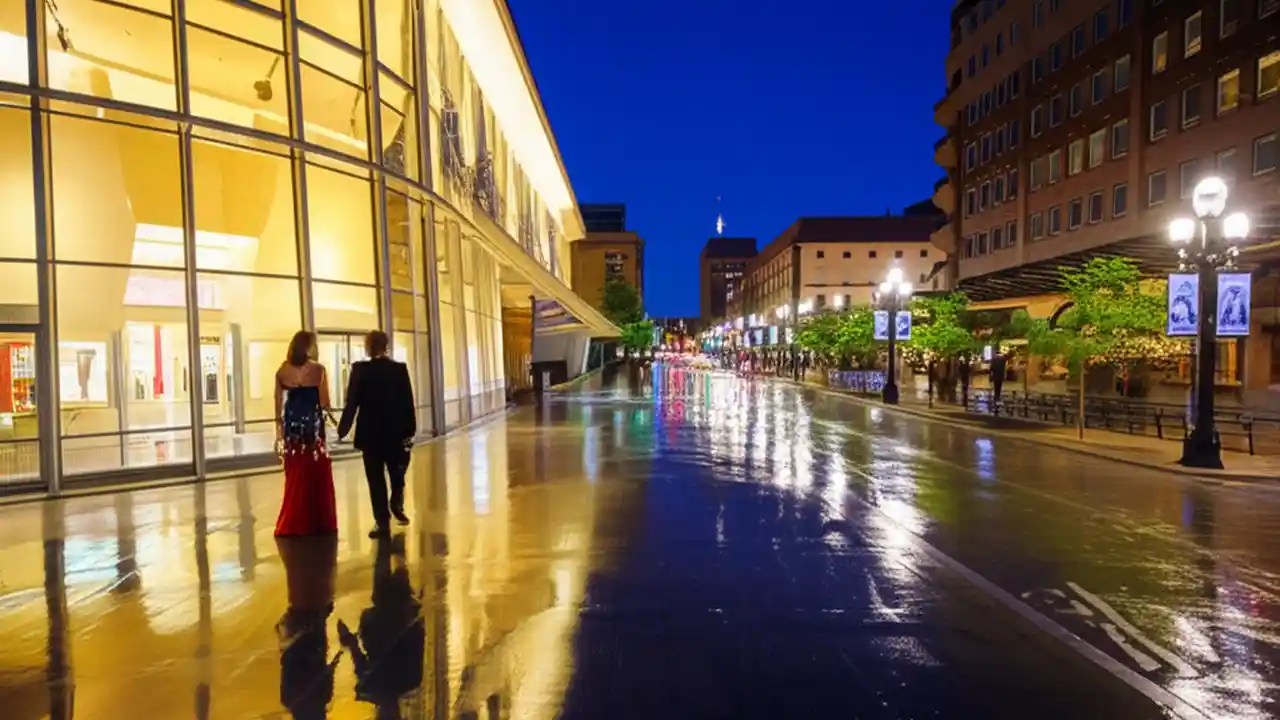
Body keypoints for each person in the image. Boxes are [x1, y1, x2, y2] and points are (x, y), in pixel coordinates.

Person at [338, 331, 416, 538]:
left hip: (370, 433)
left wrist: (343, 428)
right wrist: (410, 430)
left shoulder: (360, 370)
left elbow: (352, 402)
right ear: (386, 346)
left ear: (368, 347)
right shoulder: (399, 370)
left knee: (375, 479)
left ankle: (382, 521)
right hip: (395, 431)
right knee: (397, 472)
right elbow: (408, 402)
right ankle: (396, 501)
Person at [273, 331, 337, 537]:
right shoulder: (318, 370)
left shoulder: (283, 371)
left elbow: (277, 406)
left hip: (292, 426)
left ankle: (294, 521)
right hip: (312, 425)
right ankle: (318, 519)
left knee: (295, 473)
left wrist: (279, 433)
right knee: (316, 470)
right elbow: (325, 403)